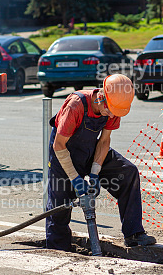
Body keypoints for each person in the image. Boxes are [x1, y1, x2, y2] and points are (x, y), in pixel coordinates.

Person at [46, 74, 156, 252]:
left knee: (128, 173)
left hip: (91, 150)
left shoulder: (115, 106)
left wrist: (95, 173)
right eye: (110, 110)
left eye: (116, 112)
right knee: (59, 207)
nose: (112, 115)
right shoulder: (76, 105)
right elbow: (59, 145)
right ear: (101, 97)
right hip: (63, 153)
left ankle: (133, 233)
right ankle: (58, 249)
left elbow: (104, 141)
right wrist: (75, 179)